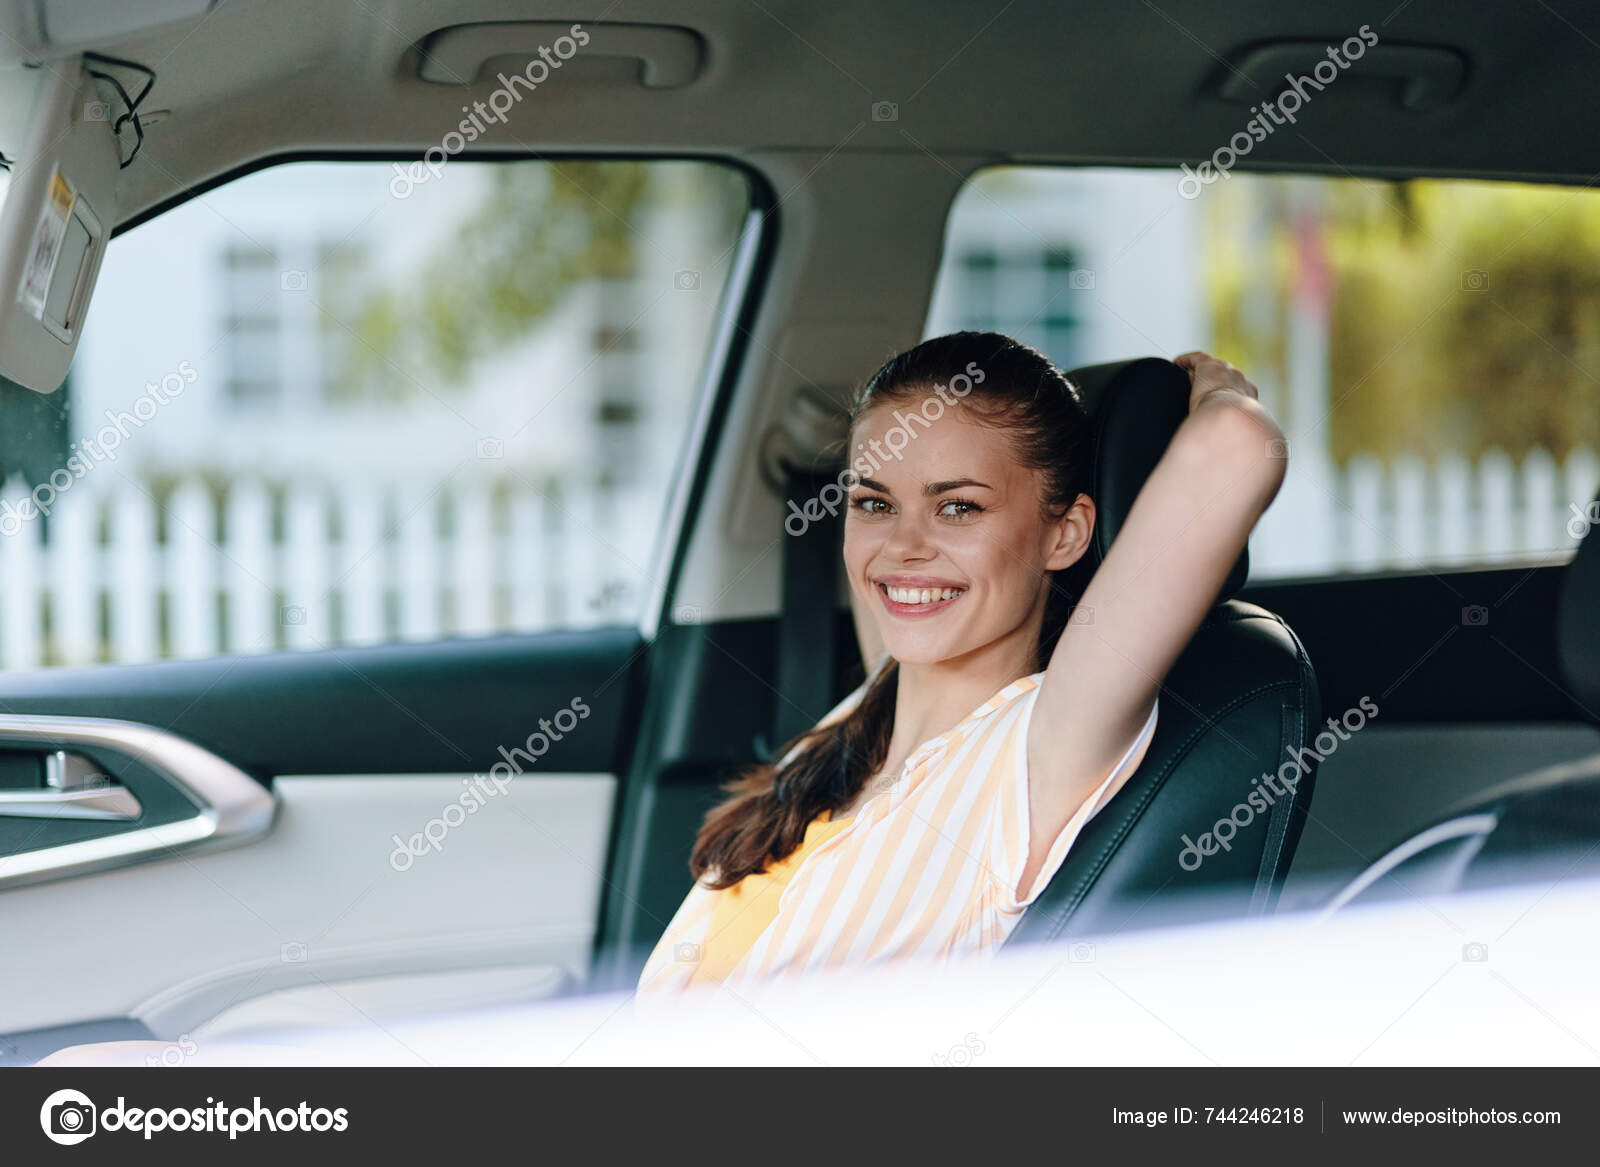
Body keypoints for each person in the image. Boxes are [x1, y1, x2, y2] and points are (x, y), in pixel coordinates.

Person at [636, 332, 1285, 998]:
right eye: (876, 503)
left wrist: (1217, 390)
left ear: (1065, 533)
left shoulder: (1036, 754)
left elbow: (1235, 445)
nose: (903, 546)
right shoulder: (865, 715)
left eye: (958, 507)